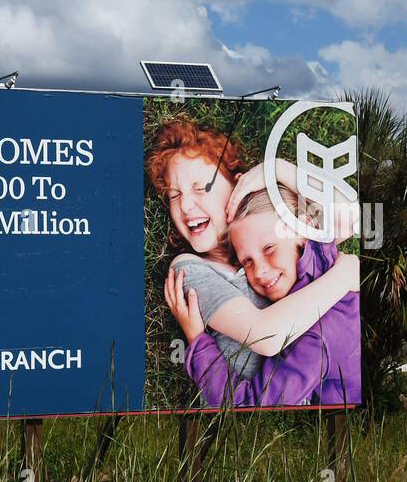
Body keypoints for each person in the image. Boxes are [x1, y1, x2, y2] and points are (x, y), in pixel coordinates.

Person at [147, 117, 358, 382]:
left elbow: (349, 220)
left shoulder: (277, 235)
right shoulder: (190, 269)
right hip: (252, 407)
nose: (186, 206)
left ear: (238, 185)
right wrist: (344, 275)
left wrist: (278, 170)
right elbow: (266, 337)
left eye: (201, 188)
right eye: (175, 196)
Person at [166, 184, 361, 407]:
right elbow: (347, 216)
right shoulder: (321, 256)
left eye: (269, 248)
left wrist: (198, 341)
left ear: (304, 230)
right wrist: (272, 169)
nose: (259, 272)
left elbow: (248, 405)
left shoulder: (317, 338)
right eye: (246, 261)